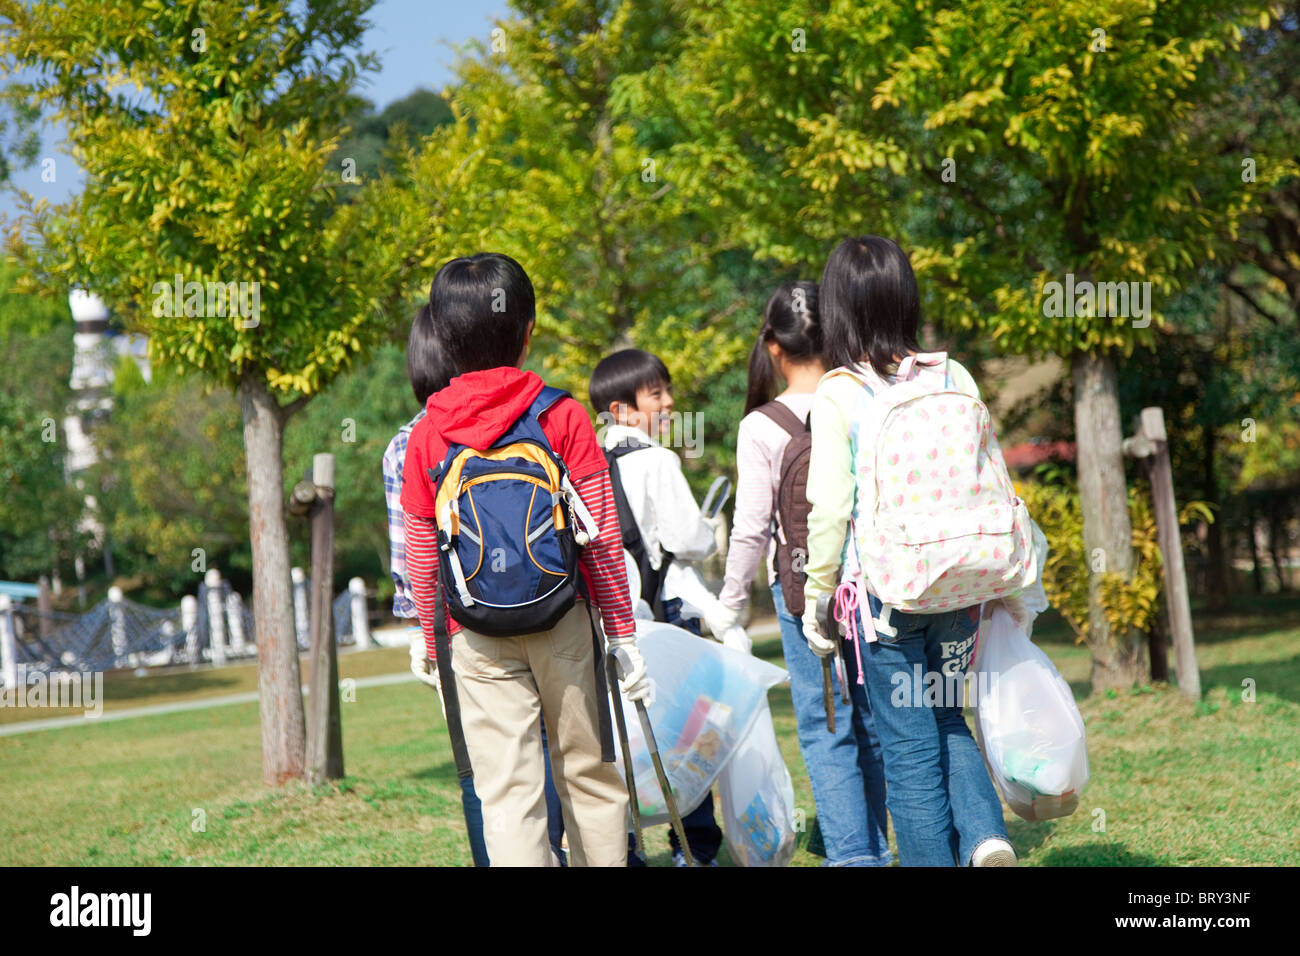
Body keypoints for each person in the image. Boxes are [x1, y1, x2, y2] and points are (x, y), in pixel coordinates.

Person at [401, 252, 649, 867]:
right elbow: (602, 537)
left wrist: (431, 643)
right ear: (527, 328)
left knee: (507, 795)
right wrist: (622, 633)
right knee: (587, 774)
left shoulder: (428, 433)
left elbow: (421, 552)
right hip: (563, 618)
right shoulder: (560, 415)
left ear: (444, 336)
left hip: (475, 632)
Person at [800, 235, 1017, 867]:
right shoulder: (954, 375)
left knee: (908, 750)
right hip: (960, 588)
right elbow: (992, 478)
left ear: (837, 308)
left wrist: (818, 600)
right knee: (951, 720)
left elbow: (831, 510)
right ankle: (985, 837)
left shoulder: (838, 394)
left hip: (887, 597)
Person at [714, 281, 892, 867]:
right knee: (873, 719)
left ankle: (854, 855)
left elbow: (751, 528)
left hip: (802, 597)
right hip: (870, 587)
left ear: (772, 347)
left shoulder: (761, 426)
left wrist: (731, 602)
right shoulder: (867, 398)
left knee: (825, 726)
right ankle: (883, 842)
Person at [383, 303, 567, 866]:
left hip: (462, 627)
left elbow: (409, 551)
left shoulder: (408, 443)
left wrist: (422, 627)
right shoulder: (536, 416)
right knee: (557, 752)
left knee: (483, 768)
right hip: (552, 607)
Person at [589, 348, 726, 867]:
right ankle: (694, 848)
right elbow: (689, 539)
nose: (670, 402)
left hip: (614, 626)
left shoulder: (586, 462)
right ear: (623, 410)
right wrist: (709, 531)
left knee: (622, 740)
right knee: (689, 735)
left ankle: (624, 846)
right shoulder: (659, 461)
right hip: (668, 617)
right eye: (656, 394)